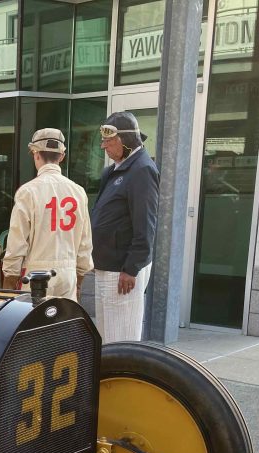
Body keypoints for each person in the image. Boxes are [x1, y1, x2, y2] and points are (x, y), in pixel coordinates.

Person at [90, 111, 159, 343]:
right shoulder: (116, 170)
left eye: (109, 140)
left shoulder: (142, 170)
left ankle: (122, 378)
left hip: (122, 270)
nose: (103, 146)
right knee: (106, 335)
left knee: (121, 337)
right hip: (108, 266)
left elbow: (145, 224)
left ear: (125, 140)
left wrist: (131, 268)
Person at [2, 129, 93, 301]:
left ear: (36, 154)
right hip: (68, 274)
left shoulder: (28, 192)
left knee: (34, 324)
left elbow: (16, 242)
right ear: (61, 156)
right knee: (63, 324)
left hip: (36, 275)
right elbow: (85, 242)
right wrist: (80, 277)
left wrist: (10, 279)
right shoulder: (78, 192)